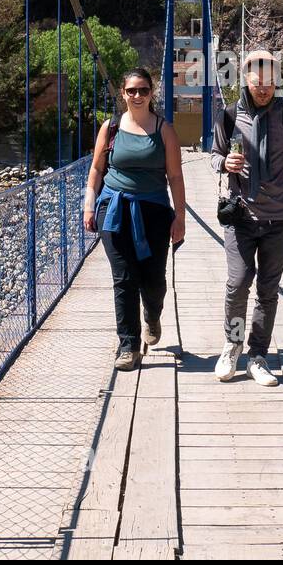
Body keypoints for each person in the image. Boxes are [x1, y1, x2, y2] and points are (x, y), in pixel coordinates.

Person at [210, 50, 283, 386]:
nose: (263, 90)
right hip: (241, 215)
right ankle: (233, 344)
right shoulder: (228, 116)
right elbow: (213, 156)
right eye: (258, 83)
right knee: (238, 282)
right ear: (246, 80)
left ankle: (257, 356)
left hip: (278, 219)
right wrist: (223, 164)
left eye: (270, 84)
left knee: (268, 290)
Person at [84, 67, 186, 371]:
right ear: (123, 94)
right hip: (113, 209)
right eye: (132, 91)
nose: (138, 96)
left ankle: (152, 314)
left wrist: (179, 216)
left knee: (153, 280)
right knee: (124, 278)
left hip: (154, 211)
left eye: (143, 90)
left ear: (151, 93)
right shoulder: (110, 128)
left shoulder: (163, 130)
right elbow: (96, 170)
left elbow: (176, 176)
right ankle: (128, 345)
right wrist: (89, 207)